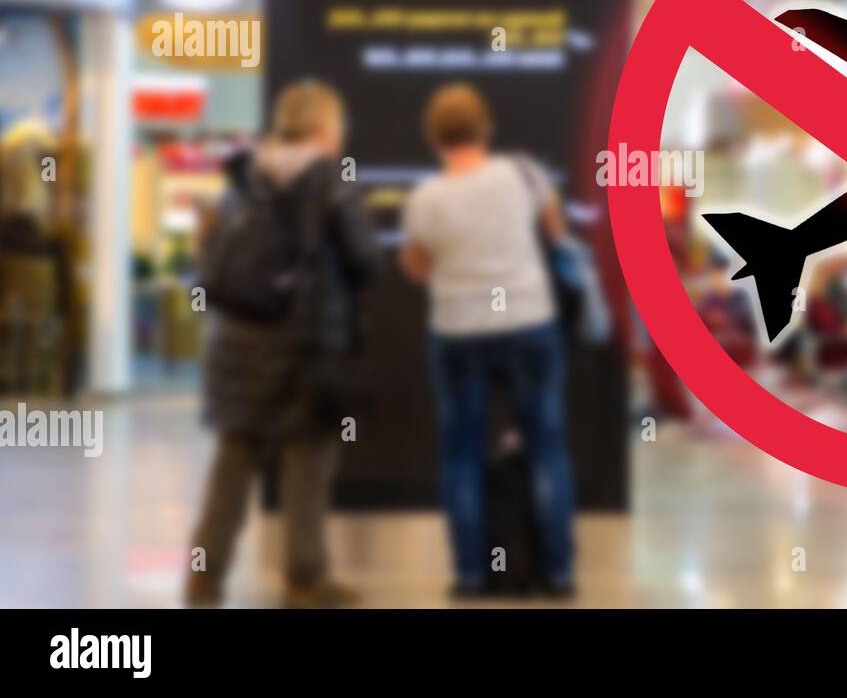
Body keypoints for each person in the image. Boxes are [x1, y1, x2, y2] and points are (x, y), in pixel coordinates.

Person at [186, 80, 375, 608]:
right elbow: (364, 261)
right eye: (337, 128)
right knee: (306, 462)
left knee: (232, 465)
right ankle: (304, 577)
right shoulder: (331, 183)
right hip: (305, 346)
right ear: (320, 129)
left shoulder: (241, 180)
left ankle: (205, 575)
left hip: (236, 346)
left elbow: (213, 261)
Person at [400, 82, 575, 598]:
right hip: (529, 320)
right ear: (485, 128)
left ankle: (472, 574)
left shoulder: (426, 197)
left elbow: (416, 267)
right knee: (545, 445)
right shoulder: (523, 173)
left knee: (461, 452)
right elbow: (557, 233)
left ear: (433, 136)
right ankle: (558, 572)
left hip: (459, 330)